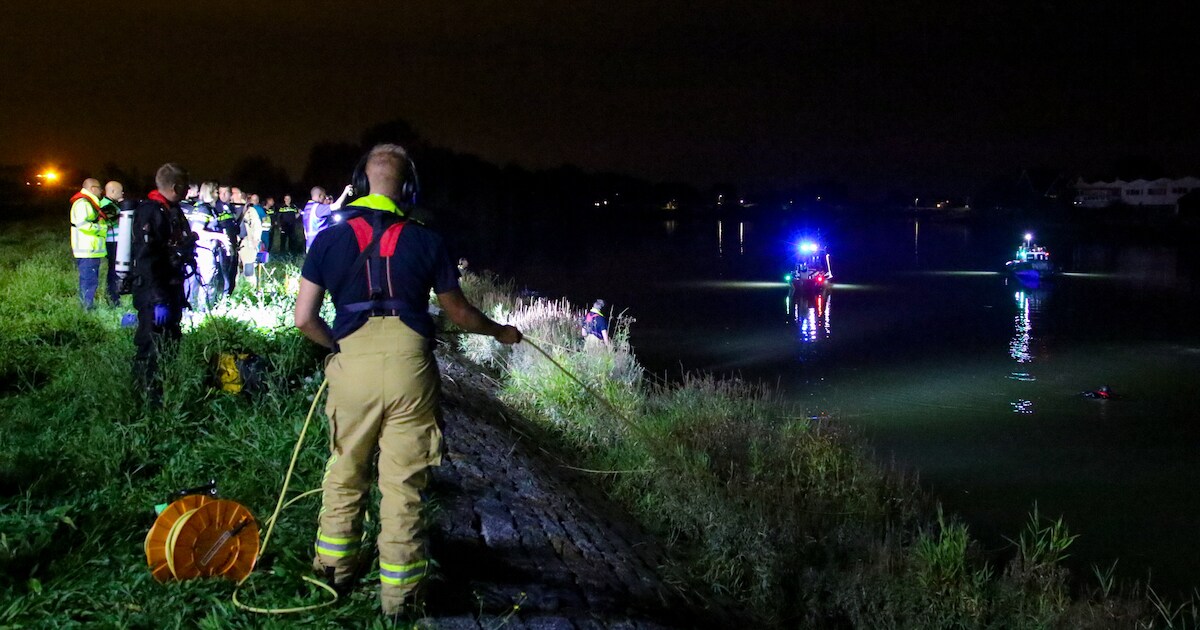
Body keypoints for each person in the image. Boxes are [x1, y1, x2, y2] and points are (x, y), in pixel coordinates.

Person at [294, 143, 521, 615]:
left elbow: (304, 319)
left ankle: (331, 573)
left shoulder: (327, 240)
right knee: (404, 485)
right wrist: (500, 331)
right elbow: (458, 312)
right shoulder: (427, 239)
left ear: (360, 184)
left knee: (345, 471)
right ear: (409, 188)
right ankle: (400, 600)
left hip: (351, 364)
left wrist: (339, 349)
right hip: (410, 369)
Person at [129, 163, 195, 402]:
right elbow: (146, 258)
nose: (188, 190)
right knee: (151, 343)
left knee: (171, 340)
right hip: (153, 292)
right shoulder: (151, 211)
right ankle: (145, 398)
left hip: (171, 287)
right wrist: (157, 298)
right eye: (186, 186)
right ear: (176, 186)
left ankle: (165, 389)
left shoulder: (172, 210)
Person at [183, 181, 229, 311]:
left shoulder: (208, 208)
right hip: (204, 250)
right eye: (216, 192)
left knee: (203, 282)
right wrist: (219, 237)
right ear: (209, 192)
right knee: (206, 282)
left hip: (208, 250)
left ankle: (199, 309)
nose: (218, 195)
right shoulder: (203, 209)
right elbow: (197, 232)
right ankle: (203, 311)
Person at [69, 178, 108, 309]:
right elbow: (83, 225)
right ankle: (86, 309)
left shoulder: (88, 202)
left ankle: (87, 306)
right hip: (87, 250)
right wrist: (102, 229)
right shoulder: (83, 203)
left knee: (90, 280)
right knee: (89, 281)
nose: (101, 191)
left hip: (90, 249)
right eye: (99, 188)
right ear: (92, 188)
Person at [303, 184, 352, 252]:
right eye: (324, 196)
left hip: (309, 245)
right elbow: (337, 206)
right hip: (320, 245)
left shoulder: (307, 207)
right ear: (320, 196)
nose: (325, 198)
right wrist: (345, 192)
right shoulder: (317, 208)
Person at [100, 181, 125, 306]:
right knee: (113, 271)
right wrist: (123, 205)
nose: (122, 194)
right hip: (112, 242)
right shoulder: (105, 204)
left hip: (115, 241)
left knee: (115, 270)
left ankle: (114, 296)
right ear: (113, 191)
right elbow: (117, 218)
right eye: (120, 191)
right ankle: (112, 297)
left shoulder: (111, 204)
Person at [214, 185, 238, 295]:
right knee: (224, 273)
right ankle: (223, 298)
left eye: (225, 192)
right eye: (220, 192)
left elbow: (234, 225)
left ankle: (228, 296)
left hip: (233, 243)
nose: (223, 195)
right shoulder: (216, 207)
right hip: (223, 246)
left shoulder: (230, 208)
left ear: (230, 194)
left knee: (232, 271)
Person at [238, 193, 263, 289]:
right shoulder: (229, 209)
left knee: (249, 268)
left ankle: (250, 289)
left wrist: (255, 240)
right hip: (236, 243)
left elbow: (257, 226)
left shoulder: (250, 211)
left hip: (247, 243)